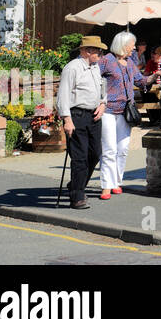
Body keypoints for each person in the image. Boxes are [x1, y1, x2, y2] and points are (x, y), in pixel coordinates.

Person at [56, 36, 107, 209]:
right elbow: (62, 95)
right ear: (86, 51)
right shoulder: (72, 68)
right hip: (76, 116)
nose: (101, 53)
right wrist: (67, 120)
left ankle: (76, 185)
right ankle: (77, 197)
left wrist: (103, 104)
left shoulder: (95, 67)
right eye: (98, 50)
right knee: (80, 158)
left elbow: (102, 87)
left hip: (94, 116)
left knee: (95, 153)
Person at [98, 32, 148, 200]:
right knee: (109, 149)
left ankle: (116, 182)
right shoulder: (106, 61)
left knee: (123, 148)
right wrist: (98, 100)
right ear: (122, 45)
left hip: (126, 111)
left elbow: (141, 81)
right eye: (131, 45)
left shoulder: (130, 63)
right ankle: (106, 185)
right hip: (108, 110)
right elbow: (94, 80)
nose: (134, 48)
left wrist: (156, 76)